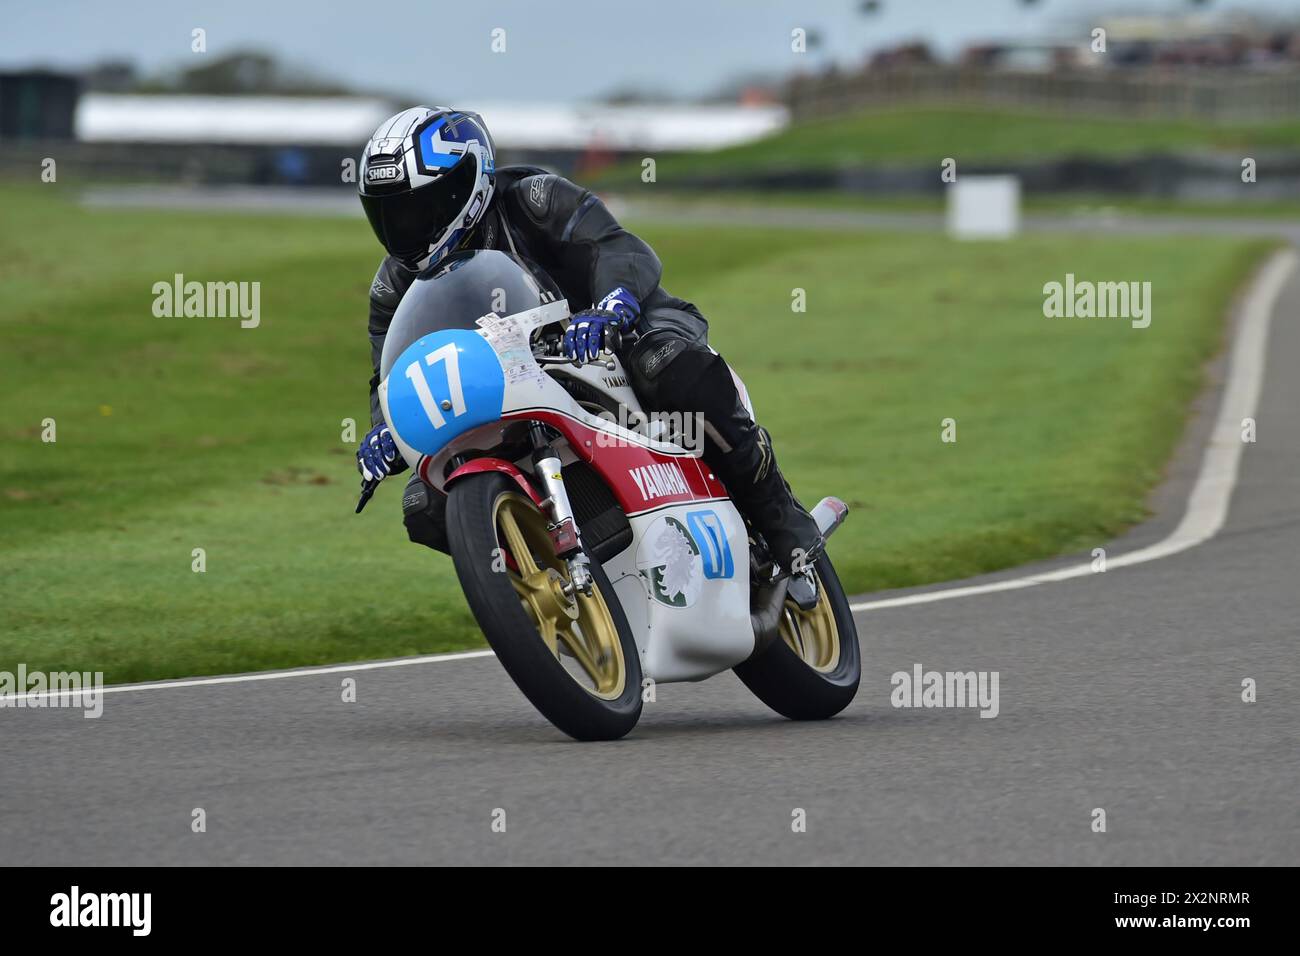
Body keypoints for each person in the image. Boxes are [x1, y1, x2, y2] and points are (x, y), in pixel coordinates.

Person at [354, 107, 821, 591]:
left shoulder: (534, 198)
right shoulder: (393, 285)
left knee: (674, 371)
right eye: (387, 213)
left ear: (466, 184)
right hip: (507, 381)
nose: (402, 227)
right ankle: (542, 585)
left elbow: (619, 247)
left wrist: (610, 306)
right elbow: (389, 375)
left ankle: (781, 519)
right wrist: (383, 431)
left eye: (416, 207)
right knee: (424, 505)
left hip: (620, 332)